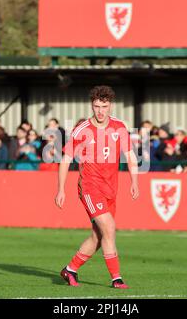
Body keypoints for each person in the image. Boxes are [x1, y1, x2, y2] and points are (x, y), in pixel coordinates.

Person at [54, 85, 139, 289]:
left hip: (111, 189)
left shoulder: (119, 127)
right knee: (109, 227)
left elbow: (130, 156)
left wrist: (135, 181)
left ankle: (70, 269)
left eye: (104, 106)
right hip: (90, 187)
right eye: (96, 106)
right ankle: (116, 278)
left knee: (99, 237)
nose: (100, 111)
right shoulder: (82, 129)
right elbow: (65, 159)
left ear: (111, 106)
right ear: (92, 106)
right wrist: (61, 189)